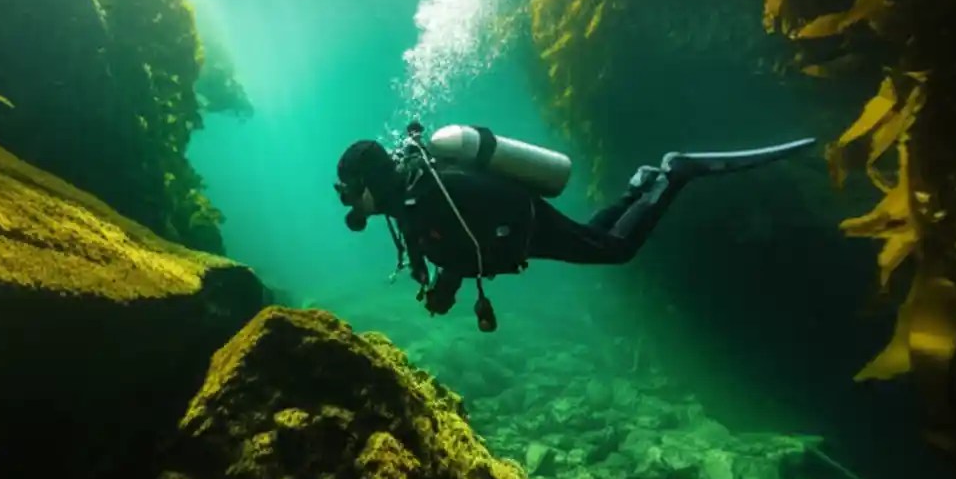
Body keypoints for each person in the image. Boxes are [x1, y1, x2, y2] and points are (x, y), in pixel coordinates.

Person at [334, 121, 816, 332]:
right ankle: (642, 186)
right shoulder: (407, 200)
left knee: (616, 250)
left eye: (351, 190)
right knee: (595, 237)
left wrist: (499, 250)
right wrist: (447, 287)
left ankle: (677, 173)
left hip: (523, 226)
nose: (351, 202)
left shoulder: (424, 195)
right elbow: (451, 245)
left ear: (372, 181)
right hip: (518, 234)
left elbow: (485, 211)